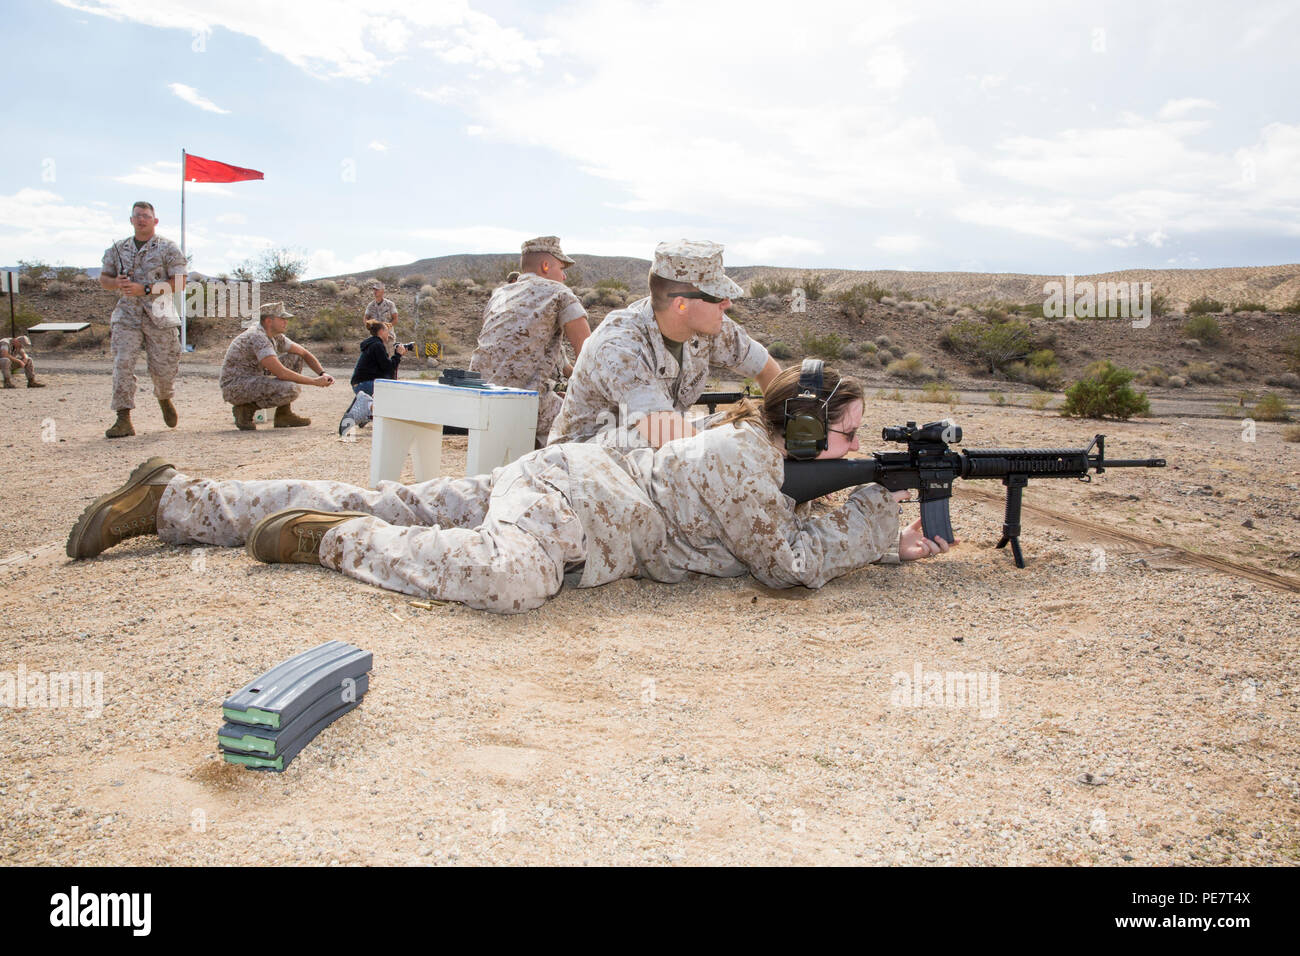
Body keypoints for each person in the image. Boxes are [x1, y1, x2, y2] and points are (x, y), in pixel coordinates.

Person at [66, 365, 954, 614]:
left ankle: (174, 498)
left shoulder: (748, 445)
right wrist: (878, 521)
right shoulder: (739, 461)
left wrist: (879, 526)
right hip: (568, 513)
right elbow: (788, 565)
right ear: (800, 432)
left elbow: (787, 517)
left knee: (391, 497)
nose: (852, 450)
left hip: (553, 478)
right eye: (843, 436)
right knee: (512, 581)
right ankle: (325, 540)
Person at [549, 239, 781, 449]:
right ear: (681, 305)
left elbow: (766, 369)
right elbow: (669, 436)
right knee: (667, 445)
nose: (727, 303)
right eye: (716, 296)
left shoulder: (710, 325)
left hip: (654, 447)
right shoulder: (619, 346)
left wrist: (781, 433)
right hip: (581, 464)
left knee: (745, 424)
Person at [468, 236, 591, 447]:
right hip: (527, 404)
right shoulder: (560, 293)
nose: (563, 276)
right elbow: (590, 355)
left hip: (479, 399)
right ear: (545, 265)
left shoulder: (500, 295)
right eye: (562, 268)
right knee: (601, 427)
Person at [98, 200, 186, 438]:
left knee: (163, 369)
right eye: (137, 216)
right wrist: (117, 283)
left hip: (160, 315)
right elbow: (104, 278)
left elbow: (179, 282)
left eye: (146, 216)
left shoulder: (168, 248)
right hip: (127, 316)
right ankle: (123, 418)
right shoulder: (118, 249)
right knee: (122, 364)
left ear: (154, 221)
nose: (141, 219)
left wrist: (144, 289)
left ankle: (164, 397)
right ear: (131, 220)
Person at [219, 302, 333, 430]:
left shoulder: (275, 336)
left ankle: (283, 415)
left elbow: (304, 353)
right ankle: (246, 410)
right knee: (291, 389)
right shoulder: (257, 336)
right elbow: (281, 373)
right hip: (236, 386)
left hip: (251, 379)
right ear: (269, 321)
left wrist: (322, 373)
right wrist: (314, 382)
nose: (286, 322)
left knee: (296, 357)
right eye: (282, 319)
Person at [338, 320, 406, 433]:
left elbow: (384, 369)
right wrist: (398, 355)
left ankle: (367, 414)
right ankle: (367, 408)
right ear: (381, 331)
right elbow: (388, 368)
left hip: (360, 383)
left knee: (388, 391)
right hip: (365, 384)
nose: (389, 334)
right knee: (392, 395)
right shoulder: (377, 345)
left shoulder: (372, 344)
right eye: (387, 331)